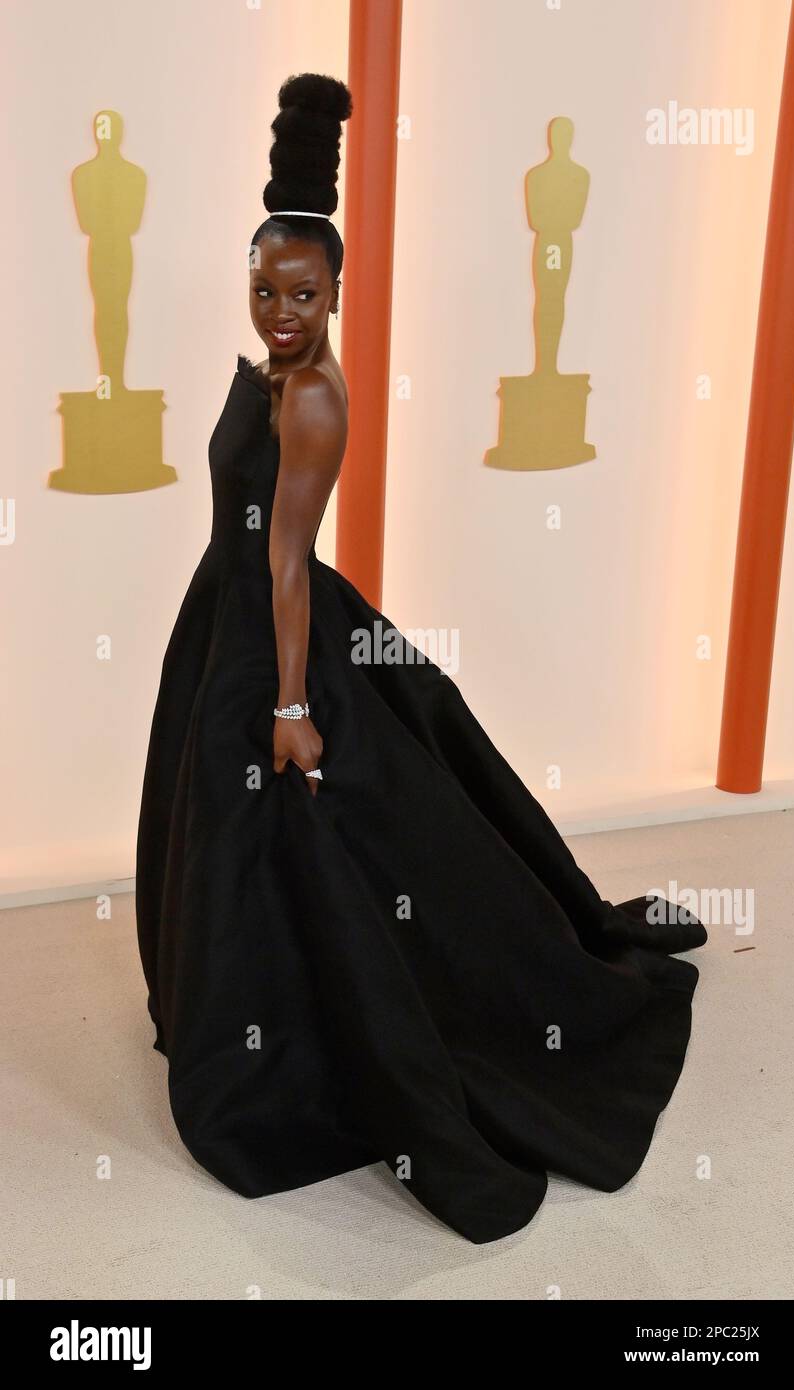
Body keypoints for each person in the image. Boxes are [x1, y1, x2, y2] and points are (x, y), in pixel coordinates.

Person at [135, 72, 707, 1245]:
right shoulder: (270, 374)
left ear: (336, 289)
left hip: (272, 641)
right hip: (227, 621)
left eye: (299, 292)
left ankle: (320, 1044)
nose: (277, 311)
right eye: (262, 290)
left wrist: (291, 703)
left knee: (312, 839)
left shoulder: (314, 405)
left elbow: (287, 564)